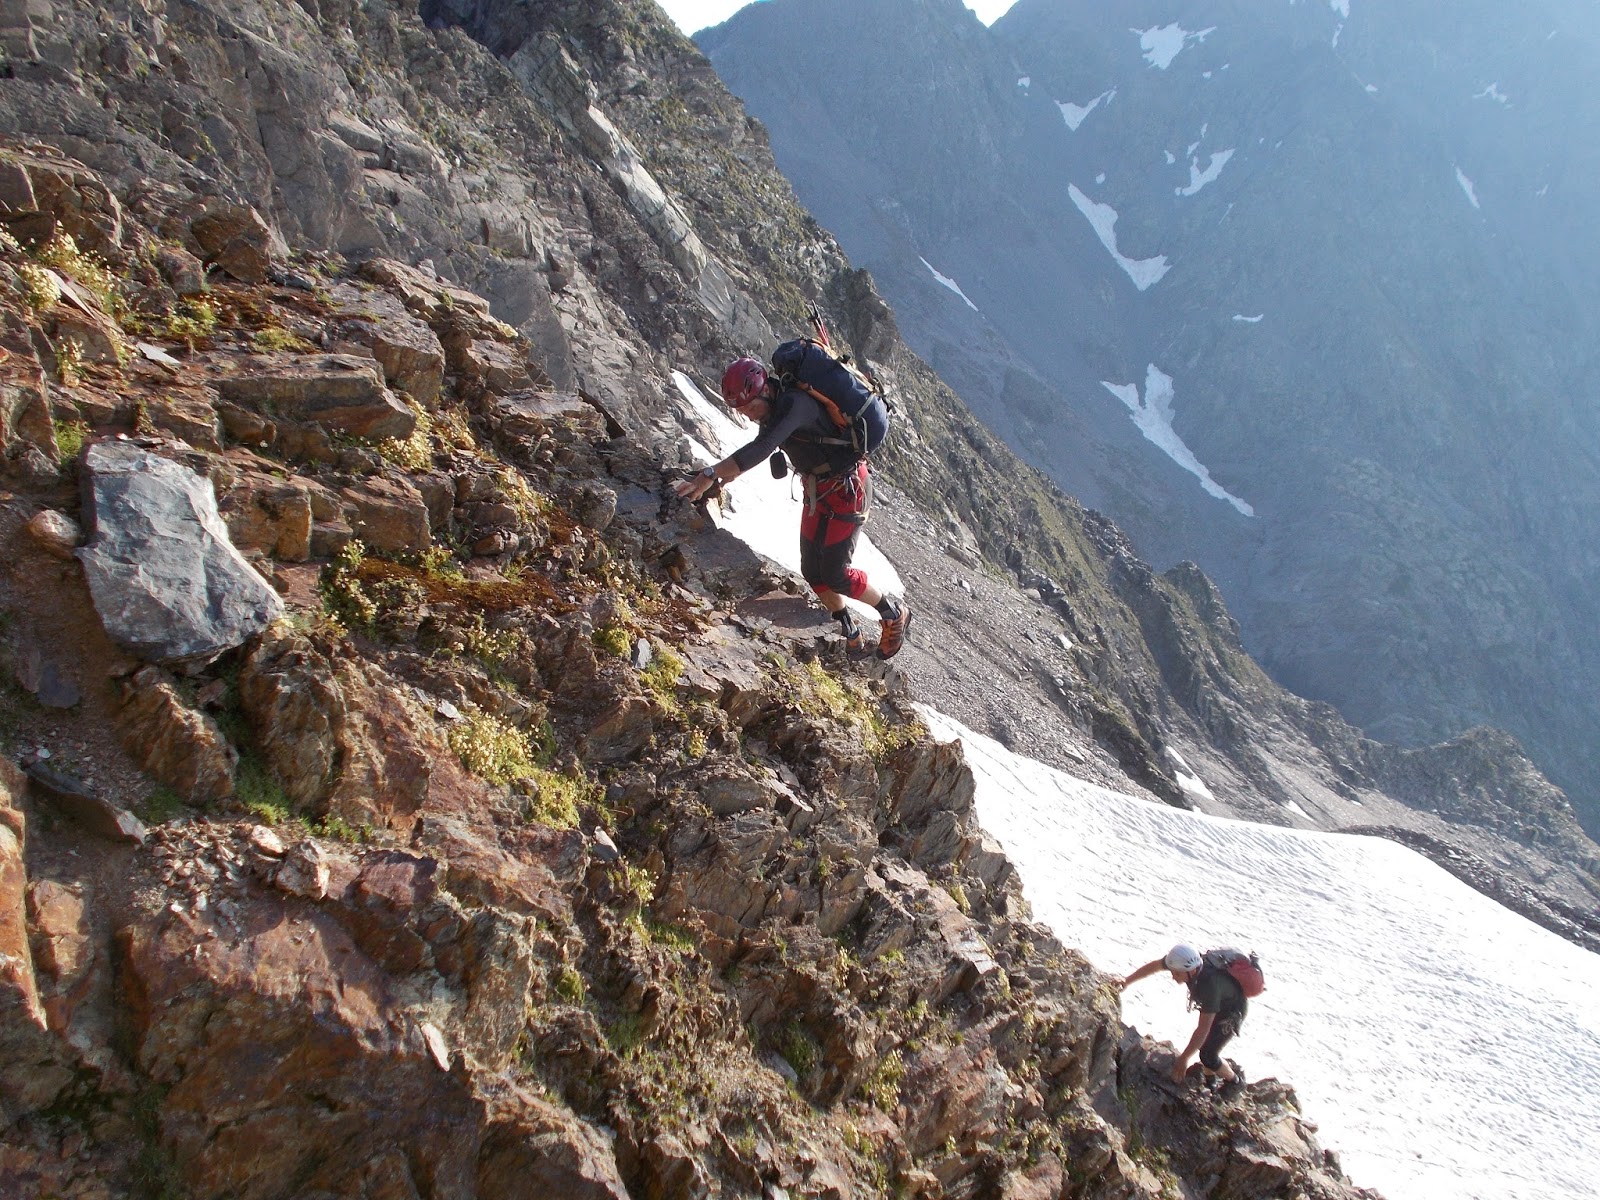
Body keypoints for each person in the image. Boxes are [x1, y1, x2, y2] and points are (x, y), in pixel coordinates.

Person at [675, 356, 909, 658]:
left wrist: (710, 474)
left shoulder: (796, 404)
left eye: (750, 407)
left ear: (766, 391)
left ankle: (892, 612)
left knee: (836, 572)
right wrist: (718, 482)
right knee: (812, 570)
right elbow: (758, 447)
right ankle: (848, 627)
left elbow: (762, 448)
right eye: (741, 411)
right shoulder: (771, 413)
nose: (747, 416)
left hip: (848, 491)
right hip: (818, 491)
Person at [1118, 943, 1246, 1087]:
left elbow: (1202, 1029)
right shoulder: (1183, 962)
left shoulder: (1210, 985)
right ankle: (1210, 1081)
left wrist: (1184, 1059)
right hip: (1219, 1001)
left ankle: (1235, 1082)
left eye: (1177, 973)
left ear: (1191, 971)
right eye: (1173, 972)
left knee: (1208, 1055)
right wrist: (1126, 981)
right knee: (1205, 1047)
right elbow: (1154, 967)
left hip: (1231, 1012)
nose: (1173, 976)